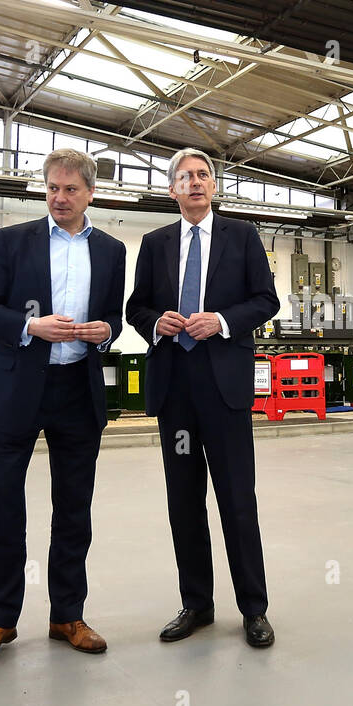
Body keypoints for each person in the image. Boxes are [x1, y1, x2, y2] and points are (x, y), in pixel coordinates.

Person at [0, 149, 126, 659]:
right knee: (4, 505)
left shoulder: (113, 250)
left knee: (73, 509)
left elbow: (112, 319)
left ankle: (67, 616)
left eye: (70, 189)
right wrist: (31, 326)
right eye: (52, 188)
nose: (59, 197)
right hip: (17, 389)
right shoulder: (12, 241)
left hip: (77, 390)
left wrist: (106, 332)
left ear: (90, 193)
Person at [125, 148, 281, 647]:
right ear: (172, 189)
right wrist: (155, 322)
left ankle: (253, 608)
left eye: (203, 175)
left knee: (237, 499)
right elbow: (136, 306)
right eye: (184, 177)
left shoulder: (243, 236)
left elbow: (266, 299)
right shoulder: (154, 243)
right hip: (176, 388)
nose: (194, 182)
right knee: (184, 501)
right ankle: (197, 604)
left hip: (224, 388)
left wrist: (223, 321)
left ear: (214, 186)